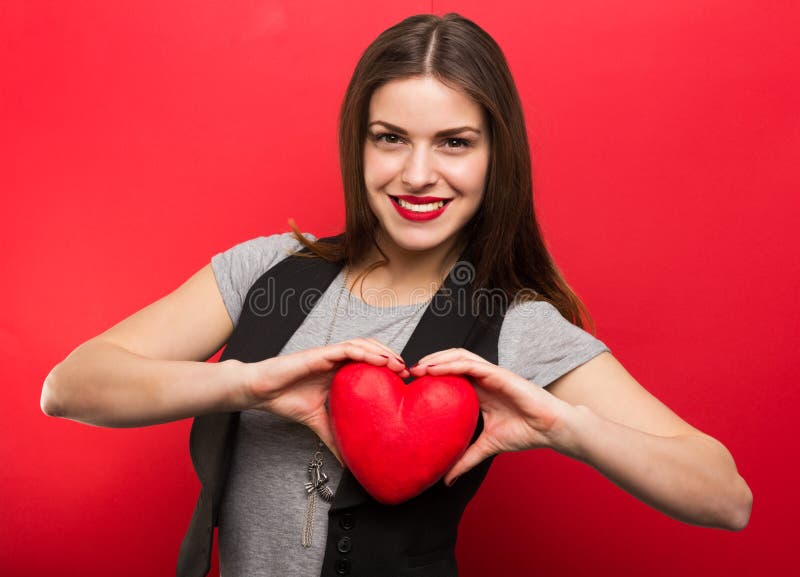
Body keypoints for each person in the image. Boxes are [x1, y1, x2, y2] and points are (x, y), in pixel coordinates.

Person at [40, 12, 752, 577]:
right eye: (390, 138)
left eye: (454, 142)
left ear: (496, 155)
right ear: (359, 144)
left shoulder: (513, 323)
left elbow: (726, 497)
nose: (416, 173)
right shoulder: (267, 272)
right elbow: (69, 387)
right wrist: (249, 383)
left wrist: (564, 426)